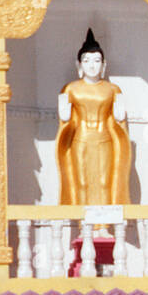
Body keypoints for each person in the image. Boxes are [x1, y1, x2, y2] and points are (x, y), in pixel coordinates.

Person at [56, 27, 131, 206]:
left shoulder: (113, 89)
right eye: (87, 60)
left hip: (104, 139)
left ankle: (104, 226)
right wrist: (63, 108)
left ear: (104, 65)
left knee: (105, 181)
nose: (92, 65)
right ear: (79, 65)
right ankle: (84, 226)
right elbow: (64, 117)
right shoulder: (70, 88)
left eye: (97, 60)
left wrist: (120, 109)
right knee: (81, 182)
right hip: (80, 139)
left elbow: (119, 117)